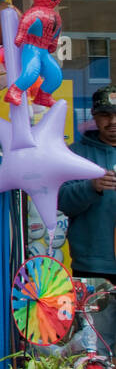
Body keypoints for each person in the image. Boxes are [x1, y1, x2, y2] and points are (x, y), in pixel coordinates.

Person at [60, 85, 116, 281]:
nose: (113, 121)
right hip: (93, 266)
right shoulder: (76, 154)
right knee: (98, 314)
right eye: (105, 115)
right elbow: (62, 201)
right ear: (94, 116)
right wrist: (92, 186)